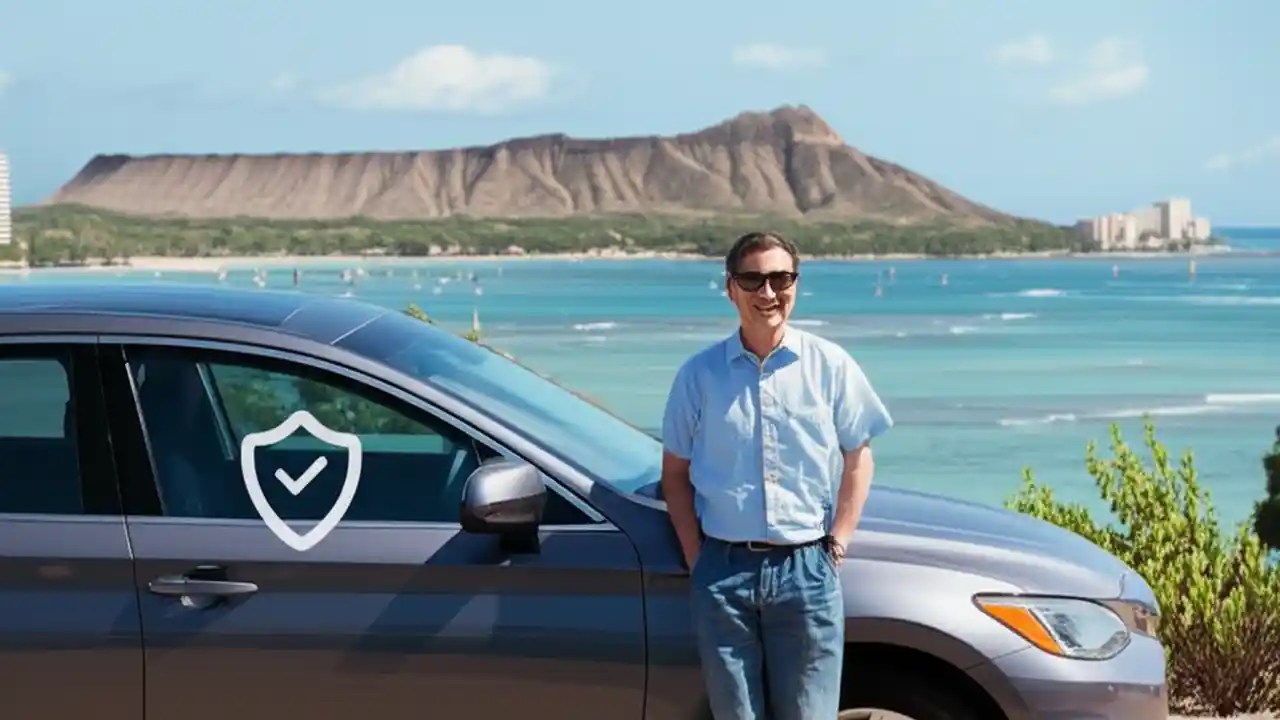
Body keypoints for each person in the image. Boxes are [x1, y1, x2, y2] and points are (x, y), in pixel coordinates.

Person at [660, 231, 893, 720]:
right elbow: (675, 473)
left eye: (780, 278)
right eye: (752, 279)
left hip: (808, 570)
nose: (767, 293)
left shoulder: (830, 366)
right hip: (723, 574)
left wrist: (839, 543)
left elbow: (859, 454)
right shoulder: (698, 376)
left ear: (795, 284)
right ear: (730, 289)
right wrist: (696, 556)